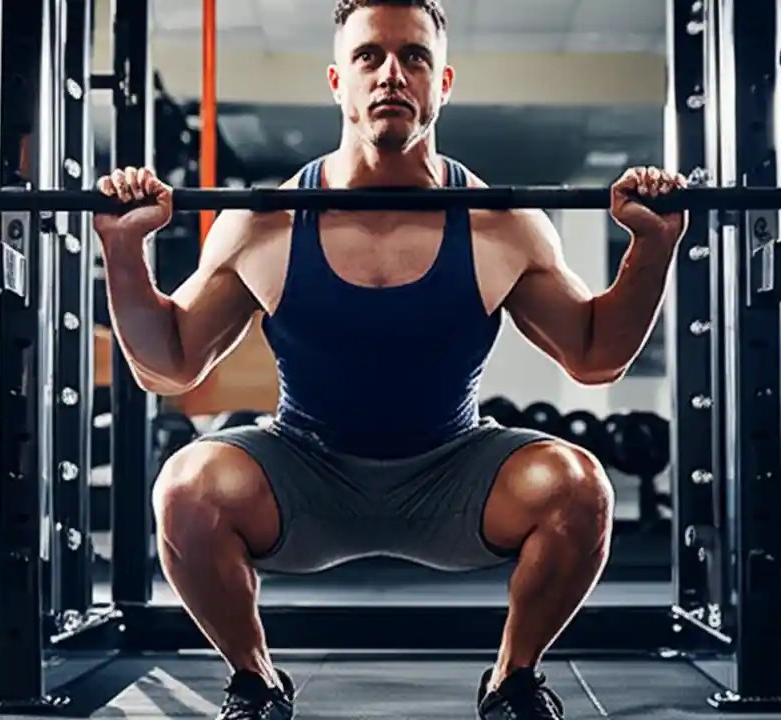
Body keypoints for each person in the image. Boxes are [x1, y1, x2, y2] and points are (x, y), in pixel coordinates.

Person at [92, 1, 687, 717]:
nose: (392, 75)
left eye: (415, 57)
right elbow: (170, 366)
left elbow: (596, 358)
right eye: (371, 57)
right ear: (338, 82)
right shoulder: (266, 219)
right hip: (301, 473)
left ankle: (513, 681)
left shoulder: (502, 223)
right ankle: (256, 682)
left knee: (580, 487)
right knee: (185, 487)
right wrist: (123, 251)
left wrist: (653, 248)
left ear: (444, 83)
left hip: (454, 474)